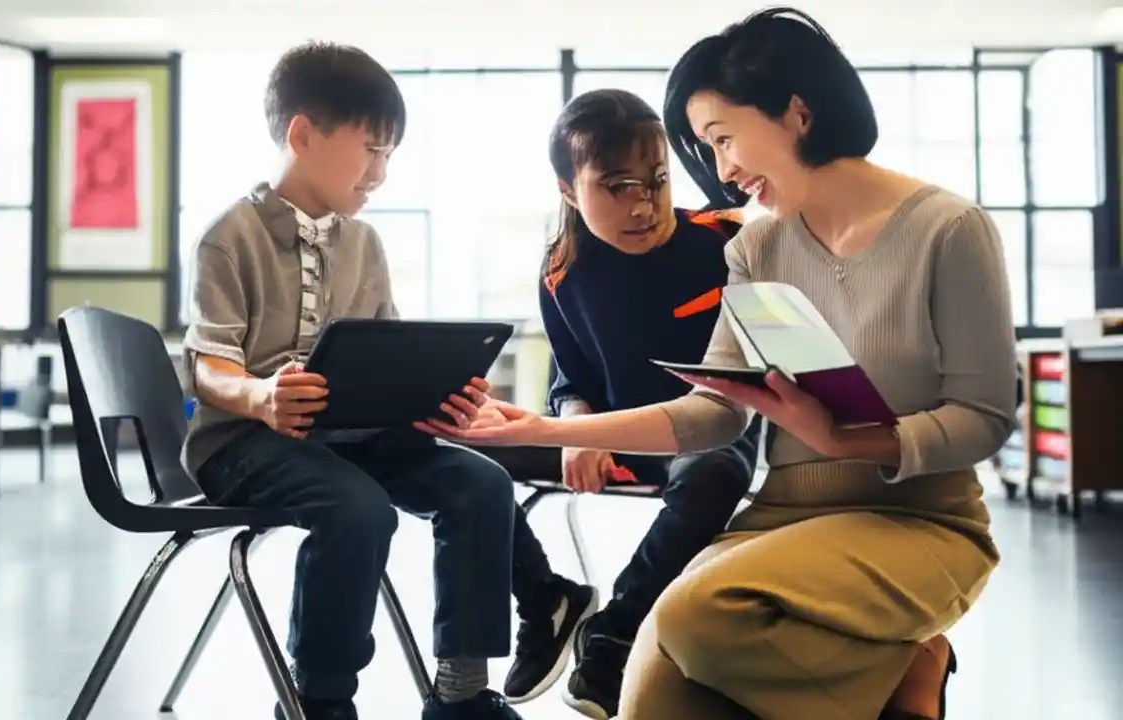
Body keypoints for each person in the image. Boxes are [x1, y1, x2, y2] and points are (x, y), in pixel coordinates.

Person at [418, 8, 1016, 720]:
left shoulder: (949, 230)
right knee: (652, 695)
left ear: (797, 113)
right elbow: (714, 413)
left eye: (723, 140)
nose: (724, 172)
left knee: (692, 620)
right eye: (709, 147)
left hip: (919, 517)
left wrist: (849, 441)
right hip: (784, 515)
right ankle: (902, 664)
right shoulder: (758, 251)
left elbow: (982, 419)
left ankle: (912, 658)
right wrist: (533, 432)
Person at [181, 42, 524, 720]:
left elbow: (385, 349)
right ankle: (320, 700)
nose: (380, 174)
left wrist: (432, 395)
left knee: (481, 483)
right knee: (356, 507)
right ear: (303, 135)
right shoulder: (231, 235)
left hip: (348, 437)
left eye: (389, 156)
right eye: (371, 150)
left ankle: (461, 693)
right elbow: (207, 364)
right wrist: (261, 396)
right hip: (243, 444)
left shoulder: (364, 244)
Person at [493, 88, 761, 720]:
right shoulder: (561, 270)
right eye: (617, 187)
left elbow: (749, 384)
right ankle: (547, 604)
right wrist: (578, 429)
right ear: (568, 190)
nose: (644, 205)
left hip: (706, 438)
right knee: (455, 464)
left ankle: (614, 629)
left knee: (717, 468)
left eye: (657, 181)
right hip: (615, 438)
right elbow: (571, 376)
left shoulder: (725, 244)